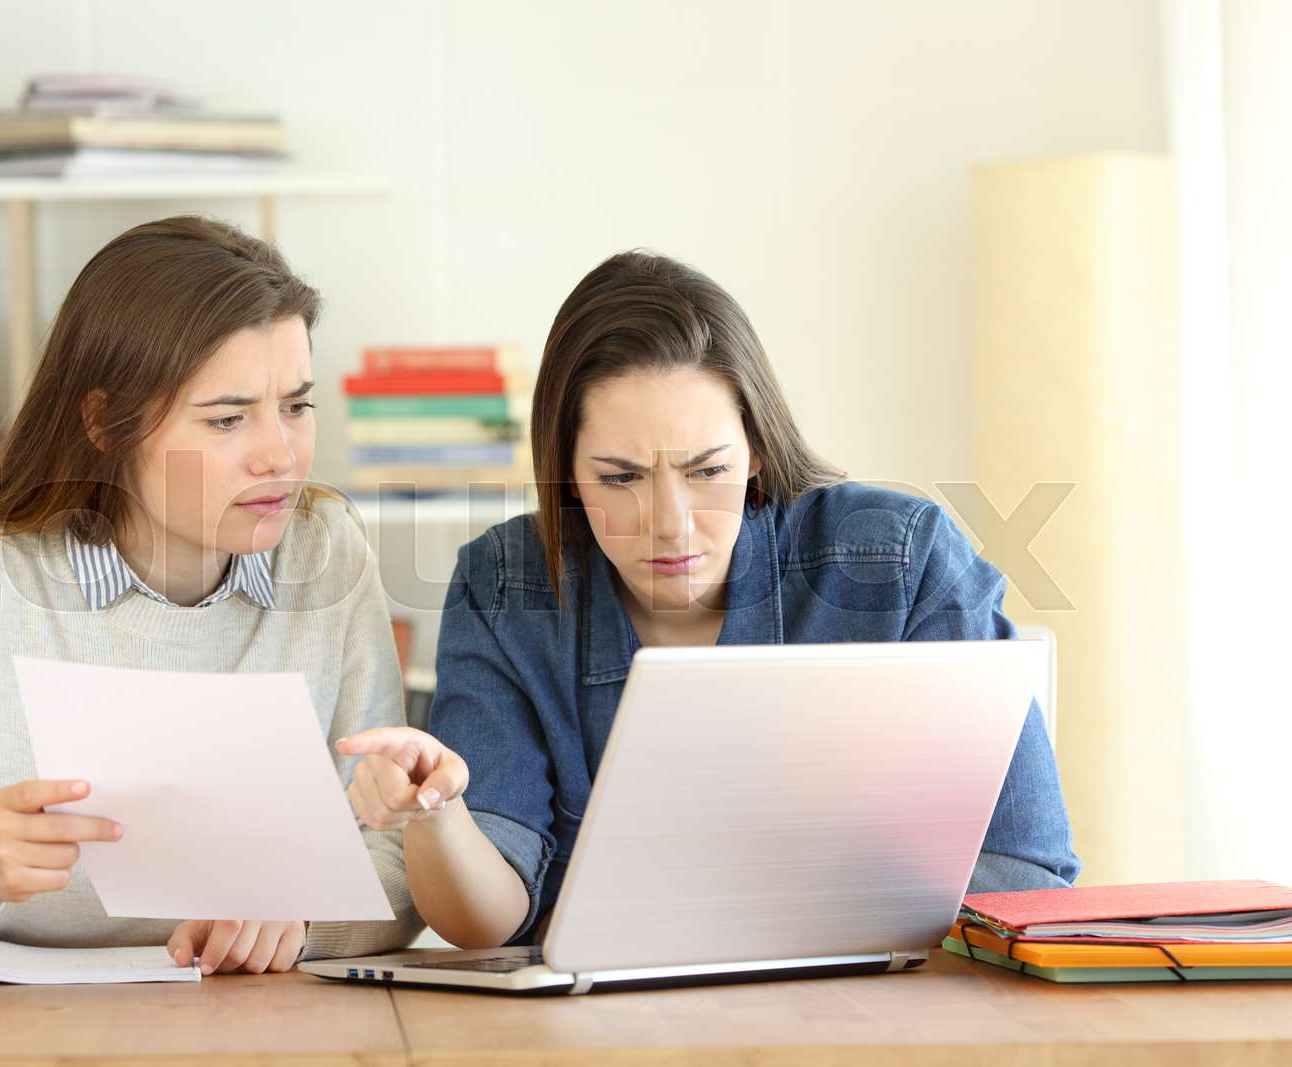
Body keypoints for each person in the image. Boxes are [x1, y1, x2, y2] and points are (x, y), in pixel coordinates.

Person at [339, 250, 1079, 949]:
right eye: (620, 477)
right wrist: (433, 812)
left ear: (755, 448)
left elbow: (1025, 876)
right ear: (564, 469)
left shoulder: (898, 558)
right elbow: (486, 922)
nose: (671, 522)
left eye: (707, 469)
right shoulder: (505, 585)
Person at [0, 216, 421, 971]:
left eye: (297, 406)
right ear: (105, 421)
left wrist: (305, 914)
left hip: (254, 1016)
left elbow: (402, 856)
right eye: (228, 418)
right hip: (5, 1023)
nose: (280, 454)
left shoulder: (328, 550)